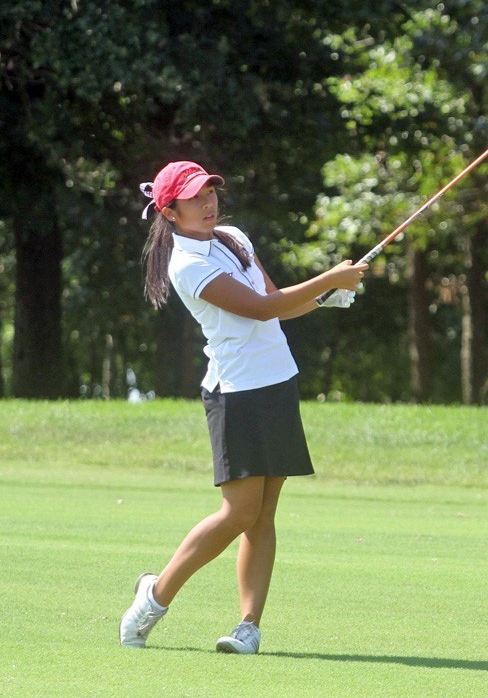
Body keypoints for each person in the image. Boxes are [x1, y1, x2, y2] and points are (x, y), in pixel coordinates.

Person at [120, 160, 367, 653]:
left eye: (210, 191)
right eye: (194, 198)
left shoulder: (233, 237)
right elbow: (257, 310)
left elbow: (275, 300)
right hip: (235, 393)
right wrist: (327, 279)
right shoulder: (187, 265)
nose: (209, 202)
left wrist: (325, 298)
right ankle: (154, 597)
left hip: (277, 381)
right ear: (169, 212)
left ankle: (248, 627)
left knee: (262, 514)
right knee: (238, 512)